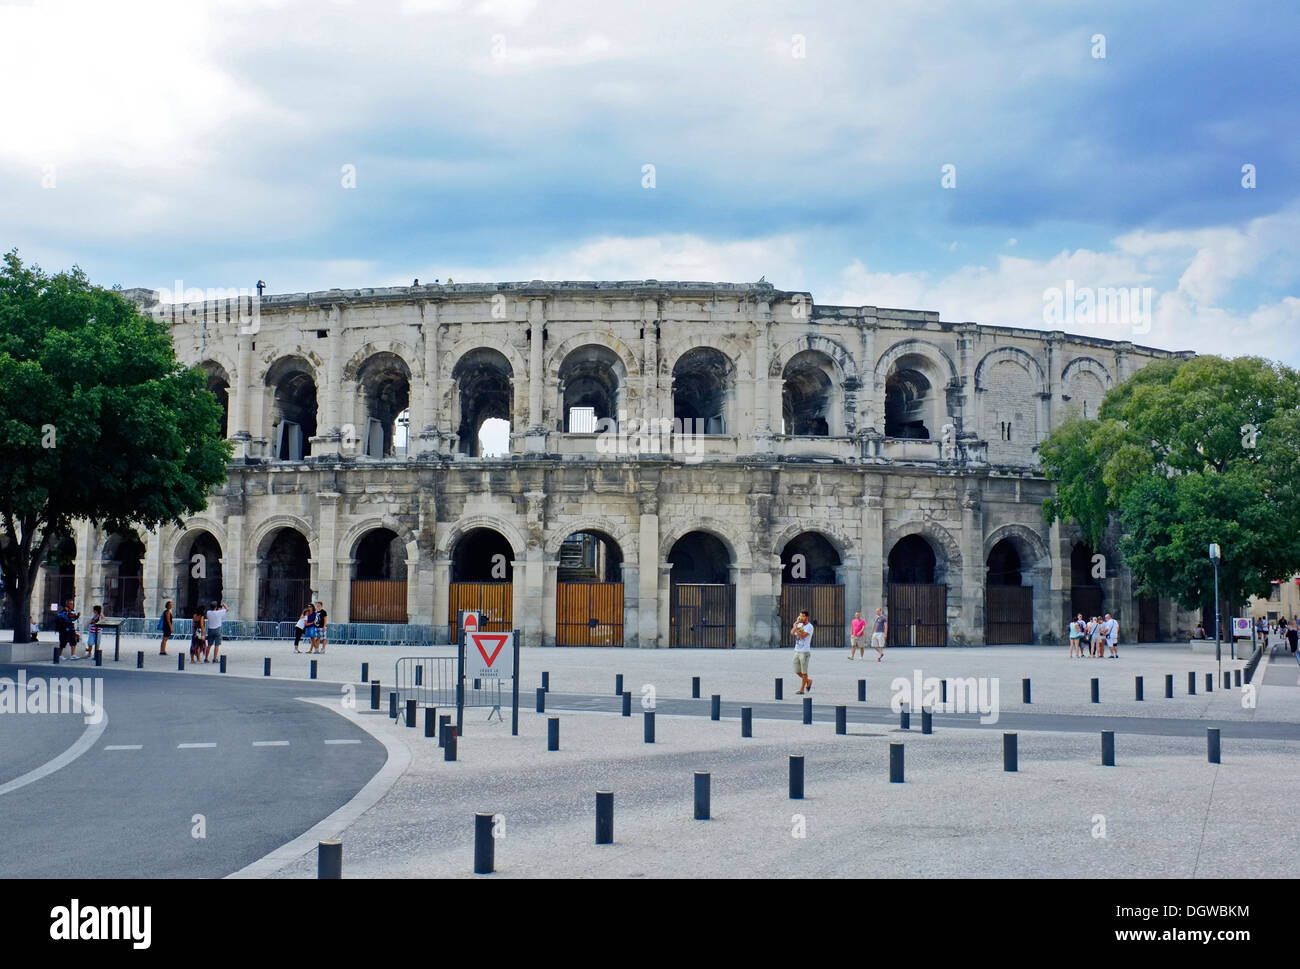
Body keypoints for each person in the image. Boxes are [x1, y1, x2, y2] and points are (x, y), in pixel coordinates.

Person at [791, 609, 813, 693]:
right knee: (796, 670)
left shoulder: (809, 627)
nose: (801, 617)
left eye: (803, 616)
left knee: (804, 672)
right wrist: (795, 624)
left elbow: (803, 636)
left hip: (804, 652)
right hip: (797, 650)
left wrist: (796, 628)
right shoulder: (799, 624)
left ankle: (802, 689)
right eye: (800, 615)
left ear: (807, 617)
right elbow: (792, 633)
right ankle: (808, 681)